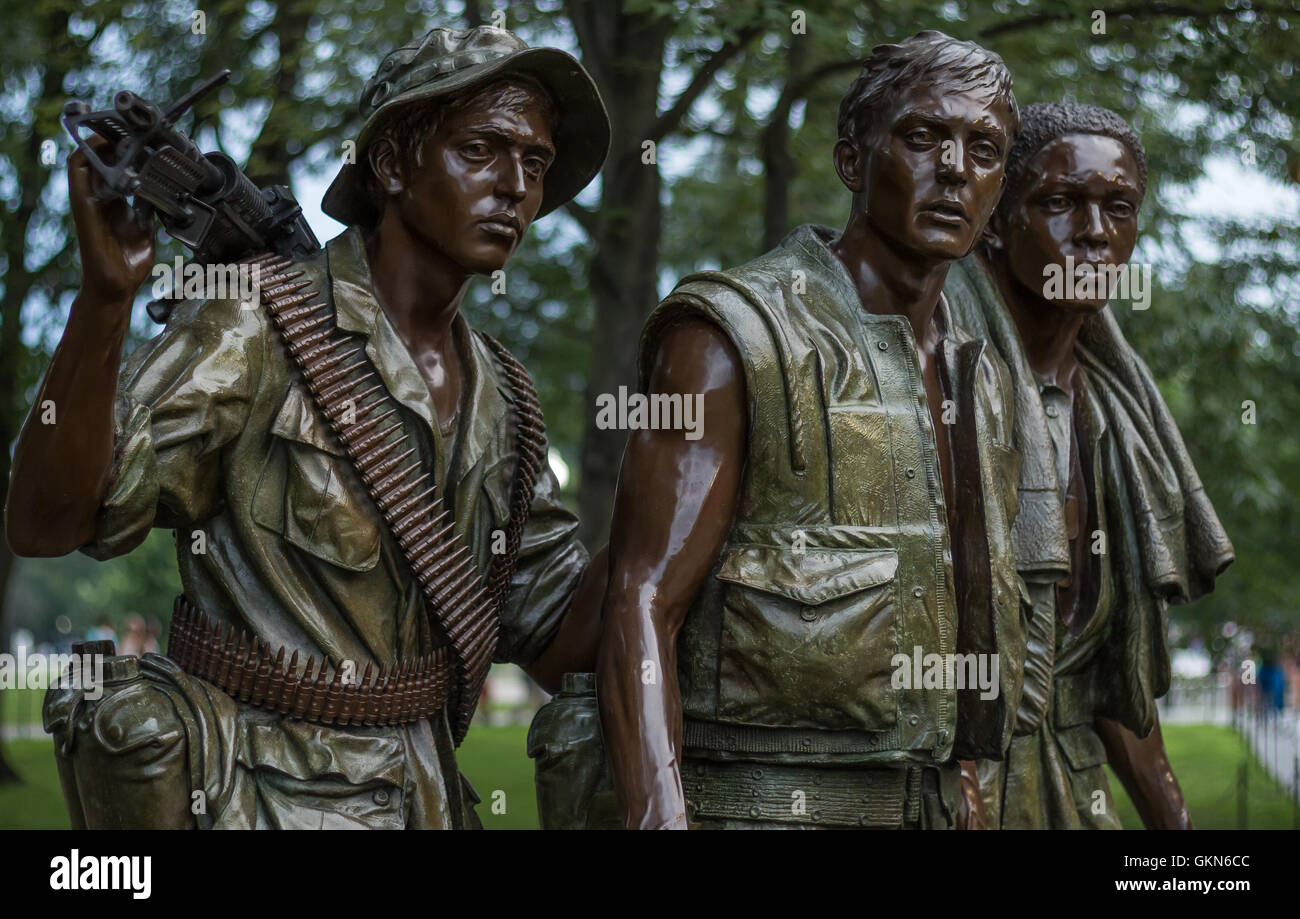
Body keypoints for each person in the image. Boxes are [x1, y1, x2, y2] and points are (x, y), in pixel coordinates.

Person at [8, 25, 611, 829]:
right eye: (482, 150)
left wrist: (674, 504)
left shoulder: (506, 397)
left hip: (430, 803)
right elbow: (49, 522)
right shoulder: (256, 323)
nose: (514, 187)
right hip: (258, 799)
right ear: (392, 163)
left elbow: (563, 639)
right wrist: (104, 303)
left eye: (534, 164)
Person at [596, 31, 1027, 830]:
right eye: (924, 136)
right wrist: (656, 815)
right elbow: (642, 597)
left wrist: (960, 771)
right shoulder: (732, 339)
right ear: (852, 163)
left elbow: (957, 590)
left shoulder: (983, 379)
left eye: (986, 149)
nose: (956, 168)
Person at [944, 102, 1234, 828]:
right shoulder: (934, 379)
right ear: (997, 218)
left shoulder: (1114, 416)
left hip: (1070, 794)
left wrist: (1173, 824)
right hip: (941, 791)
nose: (1096, 232)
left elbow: (1110, 680)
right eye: (1060, 203)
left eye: (1119, 207)